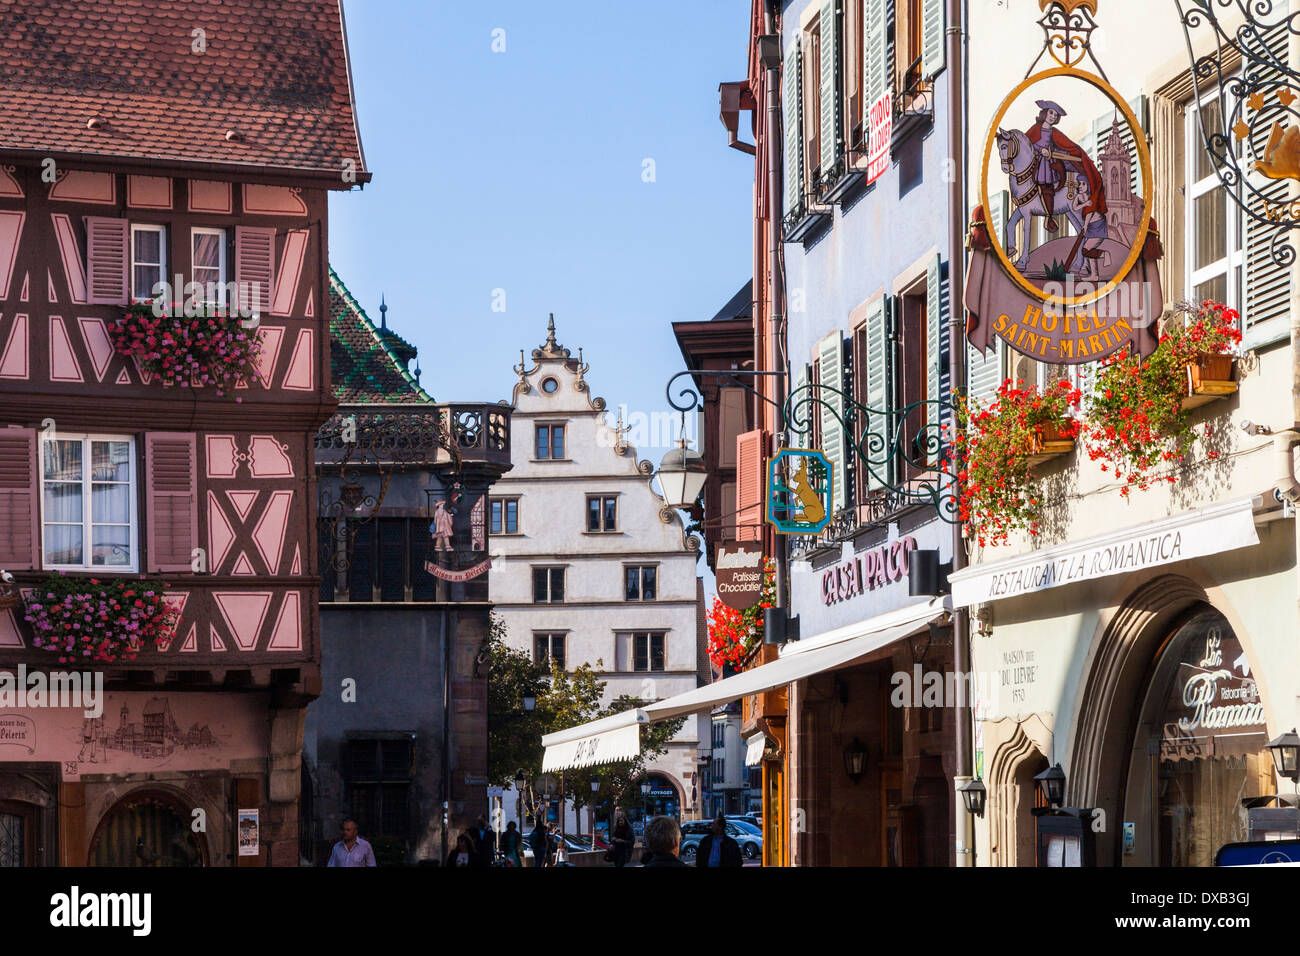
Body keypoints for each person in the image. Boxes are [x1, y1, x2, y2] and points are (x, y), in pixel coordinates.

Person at [1025, 99, 1103, 234]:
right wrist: (1039, 150)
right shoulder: (1035, 129)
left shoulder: (1054, 132)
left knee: (1048, 184)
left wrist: (1078, 155)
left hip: (1047, 164)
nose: (1053, 116)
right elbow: (1026, 145)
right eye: (1051, 113)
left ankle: (1049, 216)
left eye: (1055, 115)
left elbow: (1067, 145)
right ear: (1045, 113)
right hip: (1035, 162)